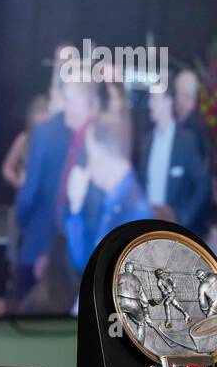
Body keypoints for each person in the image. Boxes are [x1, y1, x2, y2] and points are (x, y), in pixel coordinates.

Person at [13, 75, 101, 307]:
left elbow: (29, 193)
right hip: (60, 250)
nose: (63, 104)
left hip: (59, 249)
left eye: (68, 98)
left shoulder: (90, 139)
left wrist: (22, 223)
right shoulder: (83, 135)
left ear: (85, 102)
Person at [63, 114, 153, 271]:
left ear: (102, 154)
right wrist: (76, 206)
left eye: (90, 154)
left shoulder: (136, 212)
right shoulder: (111, 200)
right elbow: (84, 261)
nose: (88, 164)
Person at [137, 87, 210, 233]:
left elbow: (203, 183)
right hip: (146, 225)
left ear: (168, 102)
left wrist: (185, 217)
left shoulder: (186, 141)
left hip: (174, 228)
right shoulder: (145, 142)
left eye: (155, 99)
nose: (150, 104)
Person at [0, 94, 49, 191]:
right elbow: (7, 168)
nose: (40, 129)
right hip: (25, 194)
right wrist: (18, 183)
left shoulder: (54, 143)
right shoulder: (24, 140)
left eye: (44, 125)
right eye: (37, 125)